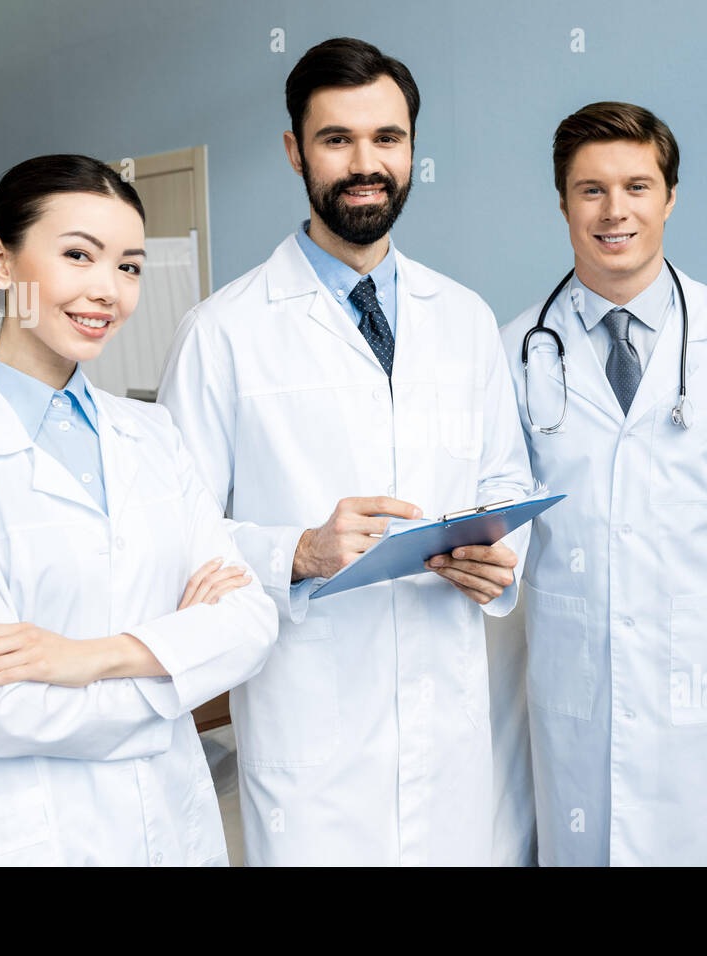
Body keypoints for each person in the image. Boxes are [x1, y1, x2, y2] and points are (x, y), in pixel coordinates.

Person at [157, 38, 534, 866]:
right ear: (296, 151)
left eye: (387, 139)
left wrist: (502, 549)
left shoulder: (465, 318)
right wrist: (297, 549)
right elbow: (173, 536)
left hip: (447, 727)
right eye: (337, 140)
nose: (367, 164)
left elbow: (505, 474)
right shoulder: (223, 334)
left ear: (411, 149)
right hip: (312, 737)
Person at [0, 154, 277, 866]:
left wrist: (87, 658)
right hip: (34, 834)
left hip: (172, 818)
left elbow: (250, 625)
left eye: (128, 267)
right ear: (0, 261)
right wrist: (178, 660)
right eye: (77, 255)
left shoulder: (153, 434)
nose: (109, 291)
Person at [499, 103, 707, 865]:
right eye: (591, 190)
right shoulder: (513, 351)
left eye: (637, 186)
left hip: (697, 676)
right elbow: (503, 513)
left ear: (670, 197)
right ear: (564, 203)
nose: (616, 211)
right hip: (572, 679)